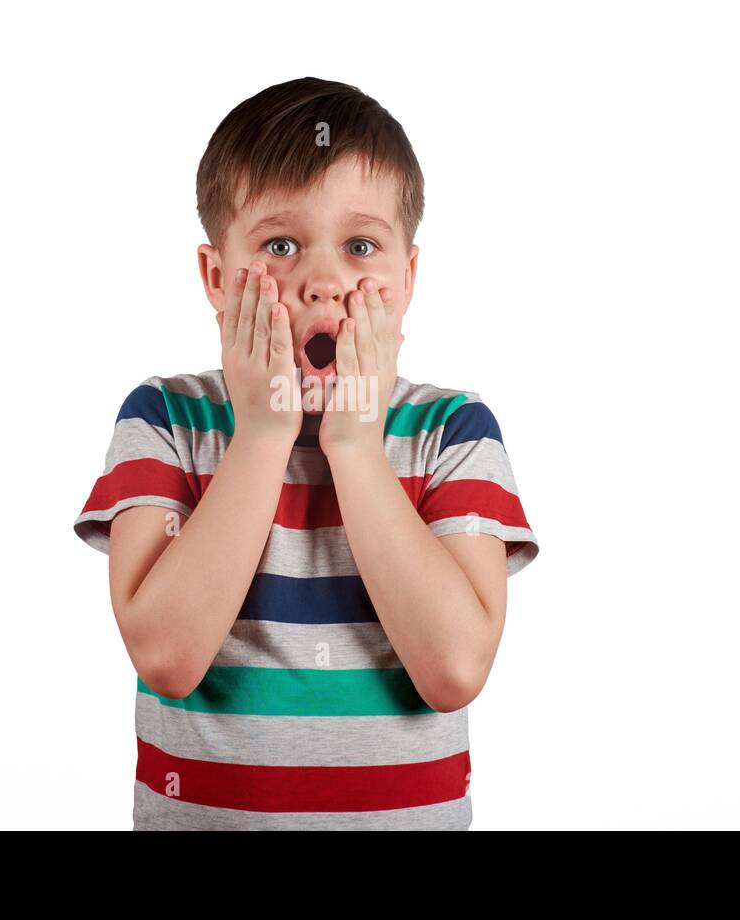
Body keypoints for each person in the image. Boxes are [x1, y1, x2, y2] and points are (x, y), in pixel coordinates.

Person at [73, 77, 539, 829]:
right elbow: (165, 655)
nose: (325, 282)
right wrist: (261, 433)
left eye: (360, 245)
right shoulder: (164, 419)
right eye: (281, 245)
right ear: (218, 279)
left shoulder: (453, 432)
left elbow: (454, 669)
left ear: (408, 279)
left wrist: (353, 442)